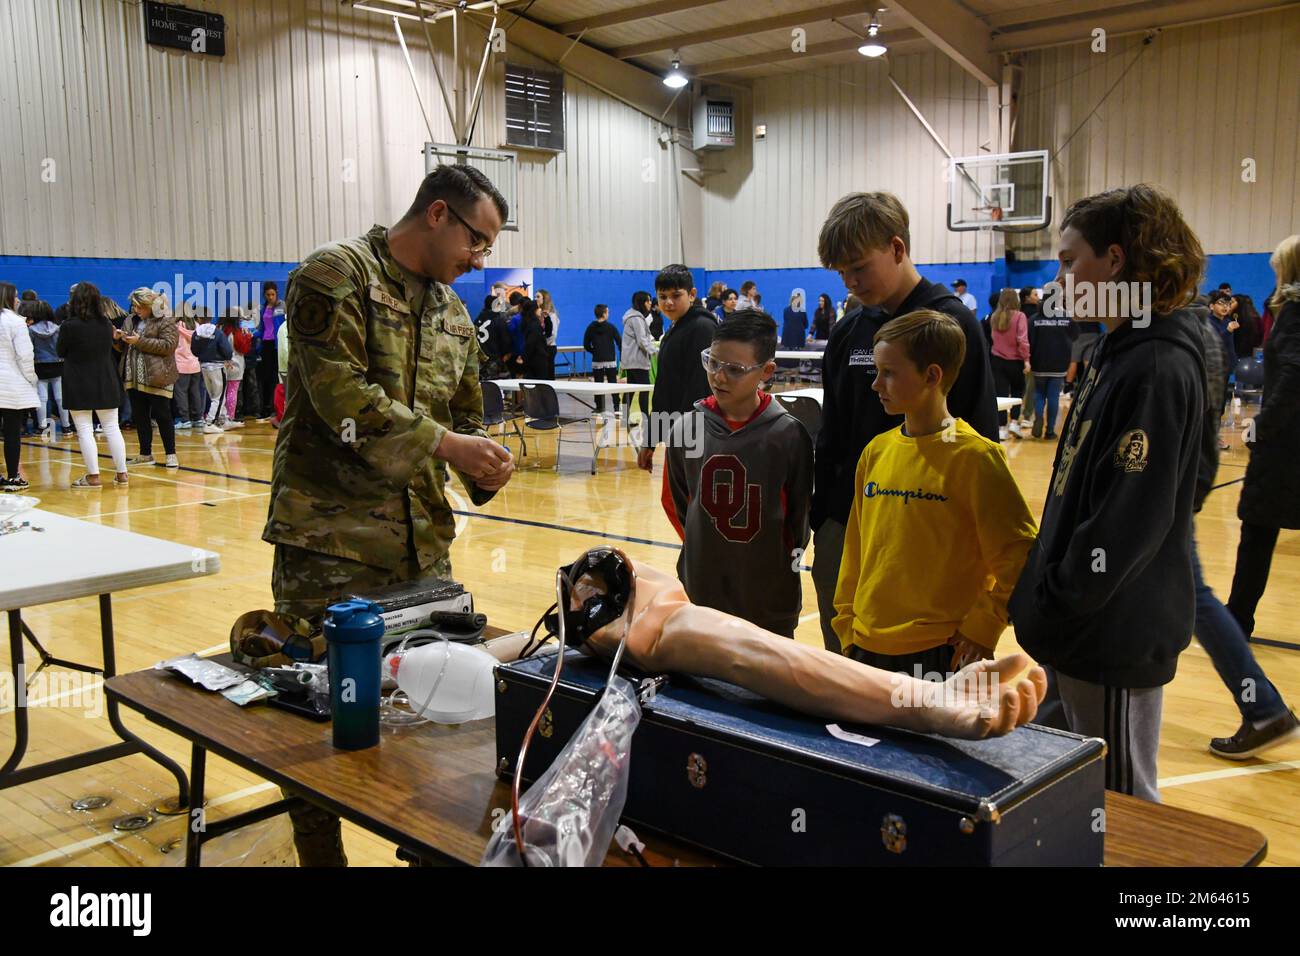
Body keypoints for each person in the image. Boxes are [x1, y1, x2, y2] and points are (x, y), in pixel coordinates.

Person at [263, 165, 514, 866]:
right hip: (330, 543)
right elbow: (340, 395)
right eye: (478, 241)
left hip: (423, 548)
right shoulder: (332, 275)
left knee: (438, 705)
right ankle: (323, 859)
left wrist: (483, 459)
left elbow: (465, 411)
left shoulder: (454, 313)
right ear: (438, 215)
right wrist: (447, 442)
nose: (480, 259)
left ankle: (425, 847)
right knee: (321, 708)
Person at [1009, 184, 1209, 803]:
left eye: (1070, 261)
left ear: (1116, 261)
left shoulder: (1155, 364)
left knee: (1121, 811)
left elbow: (1132, 518)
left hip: (1110, 634)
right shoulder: (1114, 349)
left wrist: (1062, 595)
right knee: (1063, 797)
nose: (1058, 276)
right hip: (1078, 632)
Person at [809, 191, 998, 654]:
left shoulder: (949, 326)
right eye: (841, 273)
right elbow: (832, 432)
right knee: (845, 663)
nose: (851, 282)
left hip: (924, 527)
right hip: (848, 521)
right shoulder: (849, 330)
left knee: (922, 678)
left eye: (859, 267)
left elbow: (978, 436)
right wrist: (823, 517)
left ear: (897, 248)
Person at [833, 310, 1037, 677]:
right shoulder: (876, 451)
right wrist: (847, 623)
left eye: (889, 373)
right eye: (877, 372)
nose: (876, 384)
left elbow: (1019, 557)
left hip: (940, 652)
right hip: (865, 647)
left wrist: (984, 626)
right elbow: (856, 550)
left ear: (932, 375)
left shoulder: (975, 458)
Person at [1186, 299, 1299, 757]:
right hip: (1174, 489)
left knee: (1198, 599)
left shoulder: (1182, 333)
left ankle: (1265, 708)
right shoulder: (1195, 330)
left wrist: (1262, 426)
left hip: (1161, 495)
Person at [664, 310, 813, 637]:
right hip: (701, 593)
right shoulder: (685, 429)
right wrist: (703, 547)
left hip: (768, 601)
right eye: (713, 363)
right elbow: (677, 503)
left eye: (735, 370)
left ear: (767, 371)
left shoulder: (788, 435)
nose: (719, 377)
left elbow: (799, 521)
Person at [1226, 235, 1300, 646]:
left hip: (1285, 446)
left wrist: (1262, 426)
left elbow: (1292, 376)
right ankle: (1237, 615)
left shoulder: (1293, 312)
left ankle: (1237, 618)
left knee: (1257, 532)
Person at [636, 265, 716, 471]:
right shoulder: (677, 328)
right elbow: (664, 388)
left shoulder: (701, 328)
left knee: (691, 499)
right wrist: (651, 440)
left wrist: (687, 437)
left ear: (692, 294)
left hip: (695, 435)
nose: (668, 302)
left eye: (676, 295)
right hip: (677, 431)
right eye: (662, 296)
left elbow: (699, 388)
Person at [57, 282, 128, 488]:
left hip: (78, 381)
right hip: (106, 379)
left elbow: (61, 351)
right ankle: (122, 474)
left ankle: (93, 476)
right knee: (112, 428)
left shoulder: (68, 325)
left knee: (85, 430)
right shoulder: (106, 324)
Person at [118, 288, 180, 468]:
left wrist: (139, 342)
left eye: (140, 306)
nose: (136, 310)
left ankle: (171, 454)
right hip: (134, 377)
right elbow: (125, 347)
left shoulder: (165, 320)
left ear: (150, 305)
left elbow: (168, 346)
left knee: (163, 415)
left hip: (158, 375)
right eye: (134, 306)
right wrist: (118, 339)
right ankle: (145, 453)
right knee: (140, 416)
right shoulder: (130, 320)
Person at [0, 282, 38, 492]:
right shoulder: (15, 322)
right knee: (12, 432)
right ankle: (13, 477)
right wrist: (31, 379)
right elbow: (25, 356)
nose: (17, 300)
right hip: (10, 384)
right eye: (15, 296)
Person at [1027, 287, 1072, 439]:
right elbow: (1075, 336)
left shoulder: (1034, 319)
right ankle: (1050, 430)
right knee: (1053, 397)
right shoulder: (1065, 318)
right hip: (1059, 363)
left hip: (1039, 362)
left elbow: (1029, 341)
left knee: (1039, 394)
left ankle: (1038, 416)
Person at [988, 288, 1030, 440]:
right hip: (1016, 361)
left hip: (997, 360)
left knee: (1001, 395)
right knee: (1018, 392)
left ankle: (1001, 428)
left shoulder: (994, 316)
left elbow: (993, 338)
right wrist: (1026, 360)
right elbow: (1022, 339)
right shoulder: (1020, 316)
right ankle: (1014, 423)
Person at [24, 300, 68, 439]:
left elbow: (29, 349)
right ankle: (66, 426)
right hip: (58, 364)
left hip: (40, 365)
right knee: (61, 398)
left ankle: (43, 426)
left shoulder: (31, 330)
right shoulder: (57, 328)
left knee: (42, 398)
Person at [190, 310, 232, 434]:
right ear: (211, 317)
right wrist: (227, 358)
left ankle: (222, 420)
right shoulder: (217, 333)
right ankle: (210, 422)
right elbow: (227, 350)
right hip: (217, 366)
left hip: (204, 366)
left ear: (198, 318)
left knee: (213, 395)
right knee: (218, 397)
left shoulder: (196, 333)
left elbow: (194, 350)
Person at [620, 291, 654, 426]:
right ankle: (646, 420)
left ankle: (625, 419)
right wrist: (656, 351)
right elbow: (642, 341)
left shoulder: (633, 317)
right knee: (643, 390)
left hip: (631, 361)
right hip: (637, 361)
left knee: (630, 391)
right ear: (641, 302)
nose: (650, 303)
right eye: (648, 301)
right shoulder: (636, 318)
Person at [583, 304, 621, 416]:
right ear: (604, 314)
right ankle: (617, 407)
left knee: (598, 384)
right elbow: (619, 342)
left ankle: (599, 407)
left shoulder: (590, 327)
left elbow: (586, 344)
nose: (608, 314)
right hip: (610, 360)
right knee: (613, 384)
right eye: (608, 312)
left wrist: (594, 351)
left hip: (597, 360)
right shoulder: (611, 327)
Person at [255, 281, 285, 420]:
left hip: (277, 345)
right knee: (265, 378)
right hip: (266, 345)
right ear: (264, 294)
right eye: (268, 294)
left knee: (275, 377)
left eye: (273, 294)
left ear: (276, 293)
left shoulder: (282, 306)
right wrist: (254, 336)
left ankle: (275, 409)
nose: (270, 297)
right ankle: (265, 408)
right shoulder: (263, 308)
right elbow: (261, 328)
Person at [220, 315, 252, 428]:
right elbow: (243, 349)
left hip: (222, 365)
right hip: (235, 364)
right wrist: (248, 336)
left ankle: (221, 416)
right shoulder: (235, 332)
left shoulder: (221, 330)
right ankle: (230, 417)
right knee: (232, 391)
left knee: (222, 392)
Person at [173, 308, 203, 429]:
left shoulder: (175, 327)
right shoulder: (197, 326)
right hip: (195, 364)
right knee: (195, 392)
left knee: (181, 393)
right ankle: (197, 418)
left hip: (181, 365)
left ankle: (185, 420)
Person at [517, 297, 552, 380]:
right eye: (538, 308)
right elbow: (530, 344)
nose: (540, 309)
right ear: (534, 310)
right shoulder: (534, 325)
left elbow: (548, 333)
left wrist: (547, 319)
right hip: (537, 360)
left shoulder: (533, 323)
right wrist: (524, 357)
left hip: (536, 358)